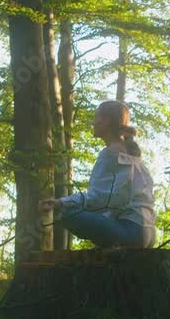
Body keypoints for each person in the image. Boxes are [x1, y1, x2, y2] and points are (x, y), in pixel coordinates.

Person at [39, 100, 156, 248]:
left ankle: (111, 245)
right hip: (146, 233)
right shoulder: (131, 154)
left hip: (131, 232)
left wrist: (61, 203)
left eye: (96, 118)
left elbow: (96, 199)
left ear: (106, 121)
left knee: (65, 214)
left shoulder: (110, 154)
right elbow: (114, 200)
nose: (93, 123)